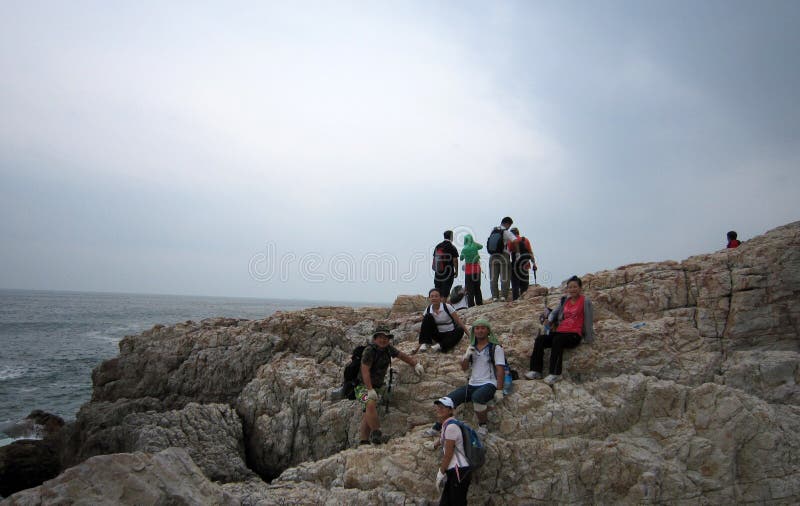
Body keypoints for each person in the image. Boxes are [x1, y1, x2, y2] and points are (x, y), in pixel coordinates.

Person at [357, 326, 424, 445]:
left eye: (386, 338)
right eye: (381, 337)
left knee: (368, 411)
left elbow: (402, 356)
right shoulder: (369, 351)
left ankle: (363, 441)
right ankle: (377, 435)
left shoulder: (388, 349)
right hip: (362, 386)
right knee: (370, 404)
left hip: (378, 385)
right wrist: (369, 389)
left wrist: (415, 364)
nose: (383, 340)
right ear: (375, 339)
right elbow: (365, 370)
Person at [526, 275, 594, 384]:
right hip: (560, 331)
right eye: (570, 287)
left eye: (575, 287)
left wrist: (589, 339)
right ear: (567, 289)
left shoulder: (585, 301)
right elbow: (555, 312)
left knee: (558, 340)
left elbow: (589, 320)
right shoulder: (565, 301)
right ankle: (536, 370)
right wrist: (549, 319)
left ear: (580, 288)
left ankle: (555, 373)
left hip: (574, 334)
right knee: (541, 339)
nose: (572, 289)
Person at [443, 319, 505, 436]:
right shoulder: (471, 347)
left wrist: (500, 389)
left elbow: (500, 369)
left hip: (489, 383)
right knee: (447, 401)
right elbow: (464, 368)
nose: (480, 331)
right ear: (473, 331)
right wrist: (466, 356)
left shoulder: (496, 348)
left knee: (477, 398)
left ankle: (483, 425)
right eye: (477, 328)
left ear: (488, 331)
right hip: (472, 384)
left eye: (483, 328)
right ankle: (439, 426)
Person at [433, 396, 472, 505]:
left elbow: (448, 454)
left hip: (459, 470)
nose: (439, 409)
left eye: (443, 407)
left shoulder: (451, 427)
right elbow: (443, 439)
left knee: (456, 502)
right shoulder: (448, 424)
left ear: (450, 410)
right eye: (438, 407)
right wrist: (435, 444)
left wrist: (441, 472)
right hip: (457, 470)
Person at [416, 289, 469, 353]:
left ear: (440, 298)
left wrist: (469, 335)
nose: (434, 298)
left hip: (450, 333)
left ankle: (439, 346)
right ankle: (425, 343)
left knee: (460, 330)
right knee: (427, 317)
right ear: (429, 298)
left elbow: (458, 320)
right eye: (432, 296)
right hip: (437, 334)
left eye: (436, 296)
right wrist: (411, 320)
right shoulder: (428, 308)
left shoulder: (447, 307)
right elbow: (424, 321)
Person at [487, 217, 518, 302]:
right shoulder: (506, 232)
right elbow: (515, 241)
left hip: (492, 256)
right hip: (503, 255)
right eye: (510, 225)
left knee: (493, 278)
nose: (509, 227)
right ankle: (503, 296)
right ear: (507, 224)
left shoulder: (493, 230)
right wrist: (517, 252)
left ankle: (494, 297)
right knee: (505, 277)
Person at [509, 227, 535, 301]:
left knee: (515, 285)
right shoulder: (525, 240)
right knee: (524, 285)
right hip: (525, 265)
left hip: (514, 267)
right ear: (518, 233)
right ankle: (525, 300)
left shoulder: (510, 241)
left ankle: (516, 301)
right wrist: (534, 264)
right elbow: (530, 252)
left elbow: (508, 253)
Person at [433, 231, 459, 302]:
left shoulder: (438, 246)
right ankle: (442, 307)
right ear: (451, 236)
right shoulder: (452, 247)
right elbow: (455, 260)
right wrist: (456, 271)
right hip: (448, 271)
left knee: (438, 289)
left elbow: (434, 258)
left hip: (438, 271)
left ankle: (437, 307)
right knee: (445, 290)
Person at [459, 233, 483, 307]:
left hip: (468, 271)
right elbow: (481, 246)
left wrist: (464, 255)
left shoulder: (464, 249)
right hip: (477, 270)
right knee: (477, 288)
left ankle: (471, 305)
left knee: (470, 289)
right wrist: (473, 242)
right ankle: (479, 303)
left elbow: (461, 258)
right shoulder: (475, 246)